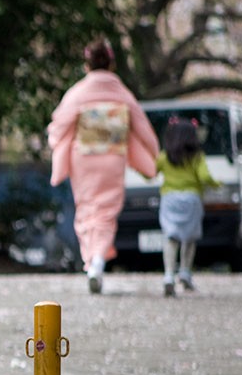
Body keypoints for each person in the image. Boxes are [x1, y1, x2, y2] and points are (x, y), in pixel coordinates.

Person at [47, 38, 158, 293]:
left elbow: (59, 125)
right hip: (112, 156)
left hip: (83, 157)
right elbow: (143, 127)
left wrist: (55, 140)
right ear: (112, 64)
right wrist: (155, 152)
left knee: (86, 207)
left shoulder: (78, 92)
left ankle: (91, 261)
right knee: (106, 211)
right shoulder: (122, 93)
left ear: (87, 65)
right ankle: (98, 259)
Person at [156, 119, 220, 296]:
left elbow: (150, 172)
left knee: (171, 236)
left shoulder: (165, 156)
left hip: (169, 198)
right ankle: (185, 272)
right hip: (191, 198)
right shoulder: (197, 156)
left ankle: (168, 275)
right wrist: (216, 184)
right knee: (189, 237)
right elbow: (205, 177)